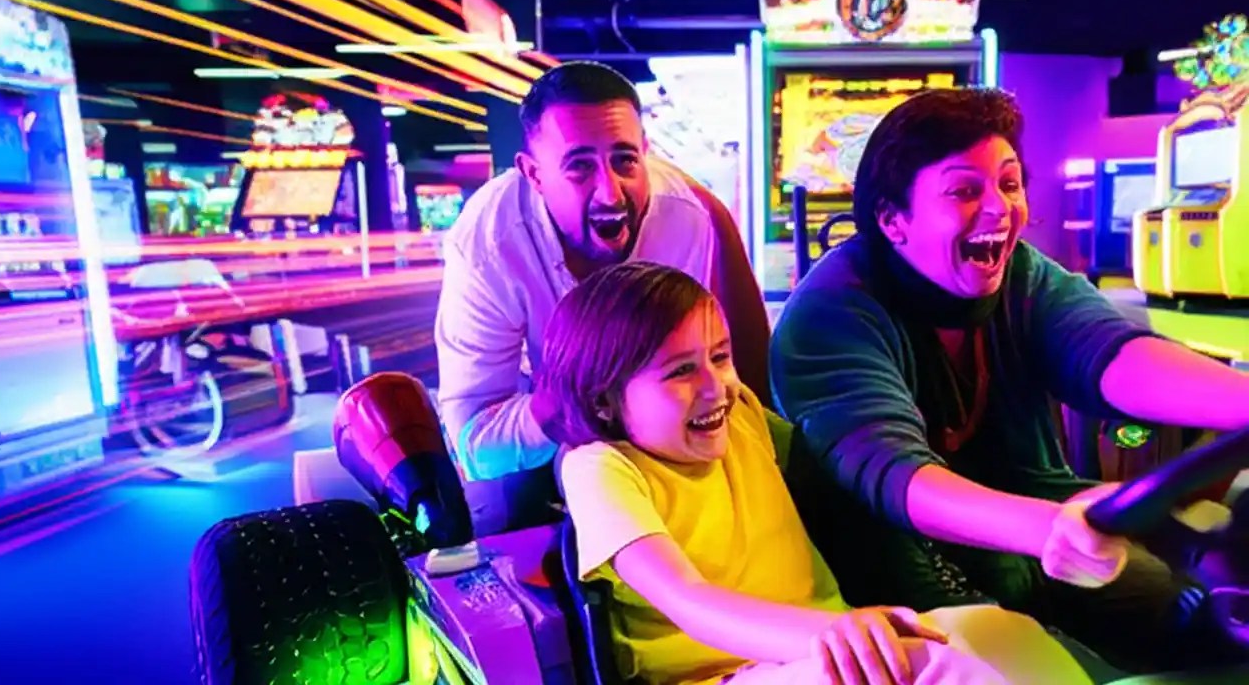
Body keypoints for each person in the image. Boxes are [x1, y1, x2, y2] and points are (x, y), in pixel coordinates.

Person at [769, 87, 1249, 674]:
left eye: (1009, 183)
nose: (1001, 209)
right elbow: (895, 476)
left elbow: (1109, 356)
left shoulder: (1021, 274)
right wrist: (1053, 529)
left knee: (1196, 624)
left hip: (1038, 537)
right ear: (893, 221)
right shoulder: (831, 314)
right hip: (895, 560)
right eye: (965, 191)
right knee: (1047, 669)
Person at [543, 261, 1092, 685]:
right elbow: (687, 599)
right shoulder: (600, 468)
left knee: (1009, 634)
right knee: (927, 669)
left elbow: (838, 461)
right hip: (722, 673)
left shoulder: (740, 420)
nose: (716, 387)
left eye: (720, 356)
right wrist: (830, 632)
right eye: (680, 371)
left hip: (820, 641)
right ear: (606, 399)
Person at [434, 61, 767, 535]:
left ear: (646, 154)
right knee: (509, 513)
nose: (610, 193)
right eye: (580, 167)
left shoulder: (686, 218)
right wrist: (565, 410)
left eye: (625, 160)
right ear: (533, 174)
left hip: (652, 433)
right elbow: (474, 447)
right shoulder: (488, 245)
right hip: (541, 413)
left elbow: (685, 379)